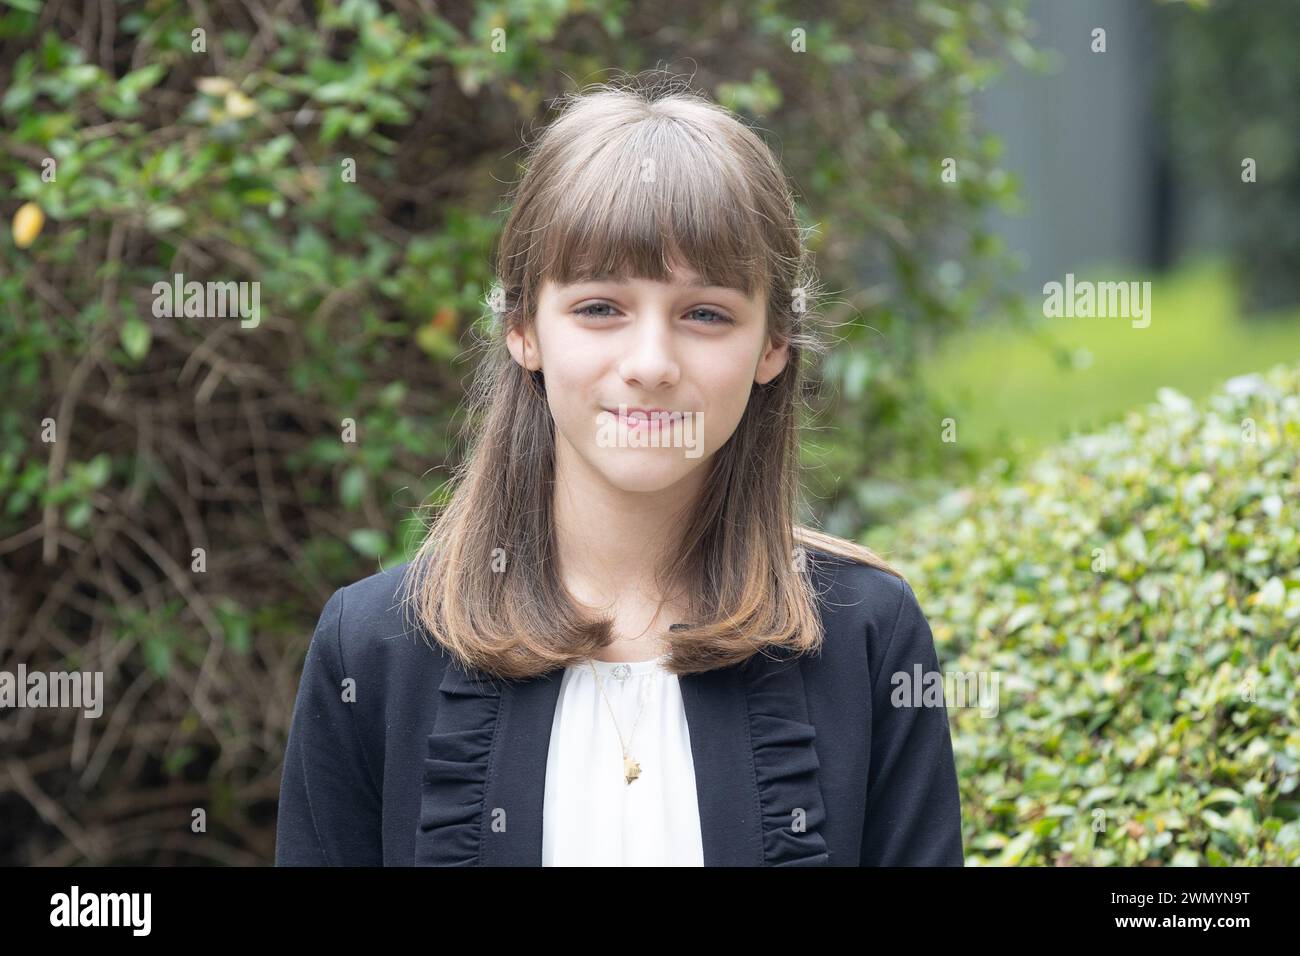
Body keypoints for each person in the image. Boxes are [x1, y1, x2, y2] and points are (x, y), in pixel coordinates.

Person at [275, 74, 963, 867]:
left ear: (773, 345)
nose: (650, 364)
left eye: (705, 313)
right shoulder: (374, 651)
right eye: (600, 307)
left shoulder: (868, 639)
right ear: (523, 329)